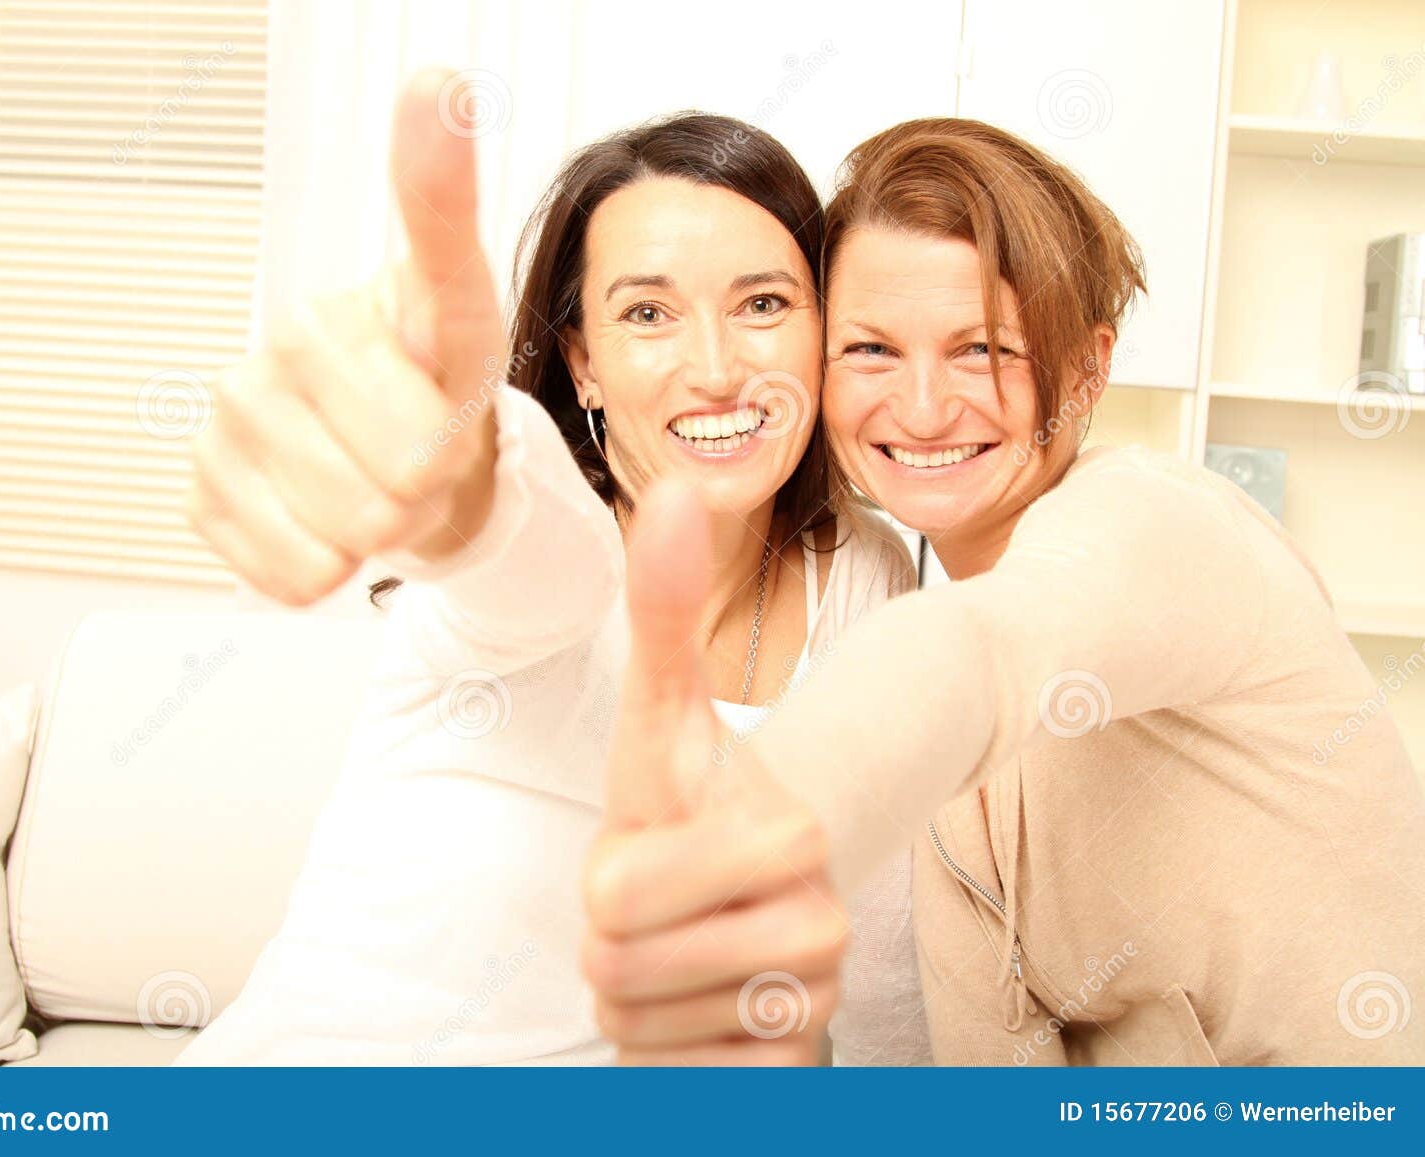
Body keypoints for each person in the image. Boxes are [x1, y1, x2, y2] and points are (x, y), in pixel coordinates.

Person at [586, 117, 1425, 1064]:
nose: (924, 407)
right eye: (869, 350)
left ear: (1088, 366)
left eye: (984, 349)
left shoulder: (1161, 523)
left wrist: (754, 824)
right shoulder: (944, 741)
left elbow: (985, 651)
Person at [178, 71, 921, 1066]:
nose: (713, 367)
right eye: (647, 314)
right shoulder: (532, 560)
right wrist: (459, 474)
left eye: (763, 302)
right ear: (582, 364)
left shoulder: (865, 577)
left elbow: (869, 979)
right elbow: (513, 540)